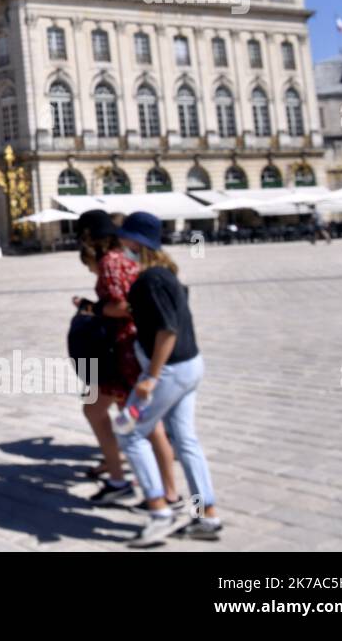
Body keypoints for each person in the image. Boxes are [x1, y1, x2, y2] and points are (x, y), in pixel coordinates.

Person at [113, 211, 222, 547]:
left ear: (135, 242)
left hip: (169, 370)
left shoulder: (152, 280)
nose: (120, 244)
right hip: (190, 365)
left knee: (128, 432)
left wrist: (151, 377)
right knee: (186, 439)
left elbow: (166, 330)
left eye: (124, 238)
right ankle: (207, 514)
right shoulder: (165, 273)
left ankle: (159, 512)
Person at [70, 210, 180, 508]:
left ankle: (163, 492)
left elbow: (121, 306)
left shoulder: (109, 263)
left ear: (90, 236)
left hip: (123, 350)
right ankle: (123, 477)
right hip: (125, 347)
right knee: (97, 410)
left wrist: (91, 309)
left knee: (142, 421)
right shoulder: (127, 257)